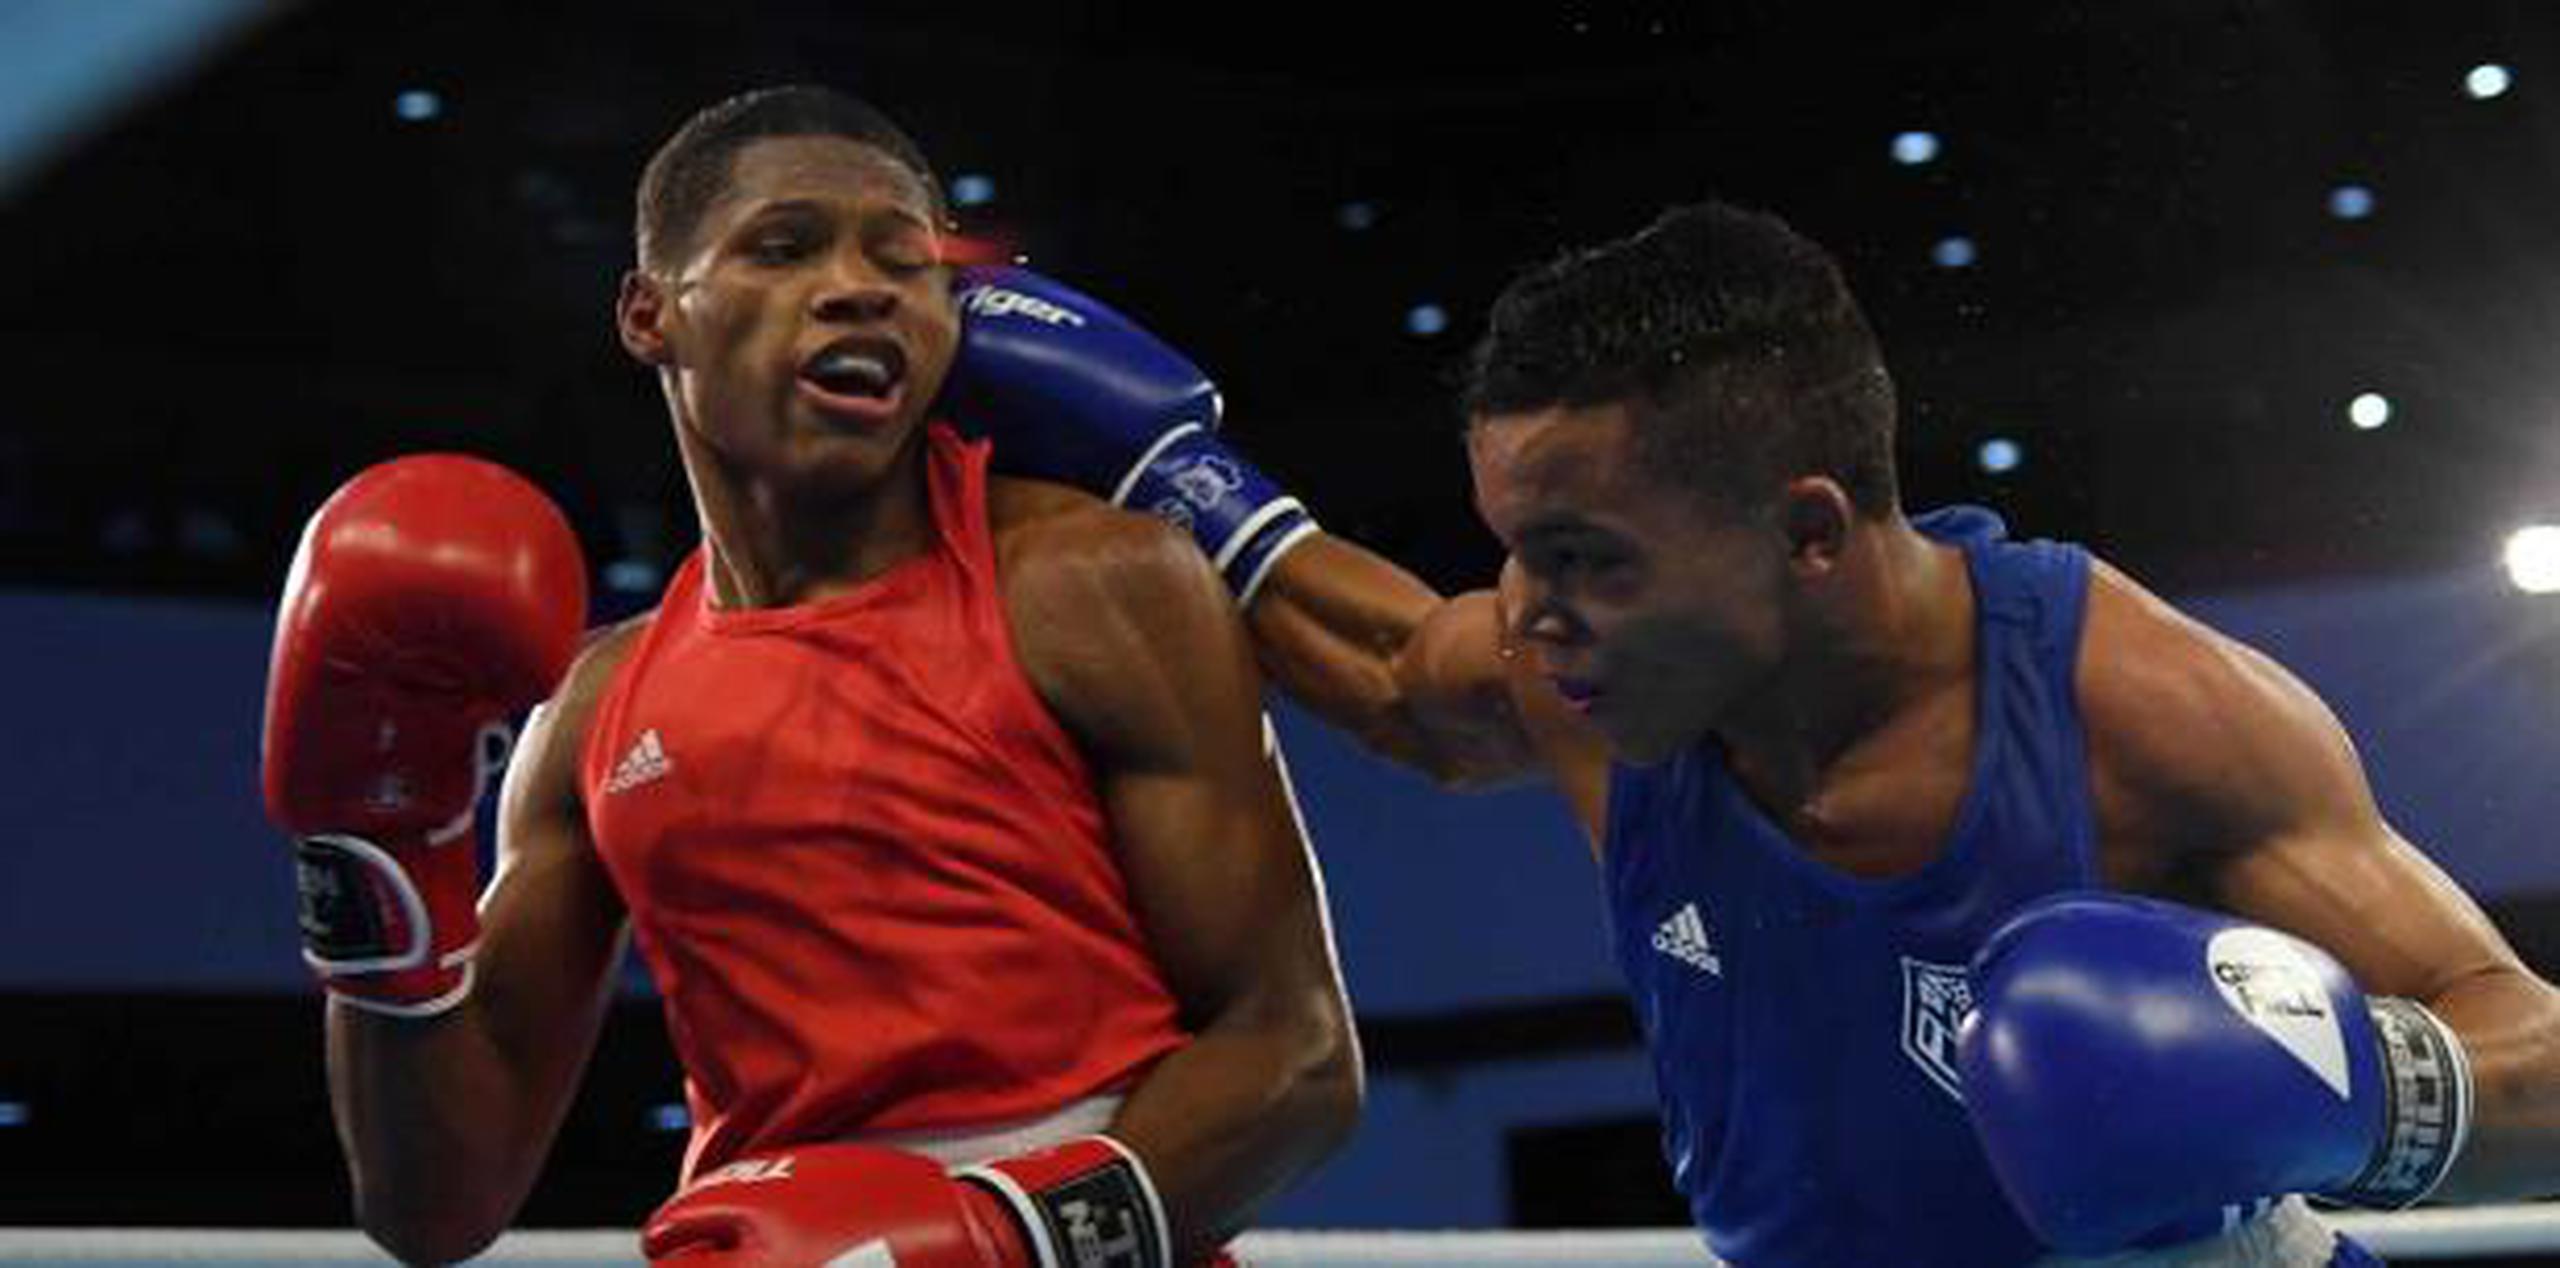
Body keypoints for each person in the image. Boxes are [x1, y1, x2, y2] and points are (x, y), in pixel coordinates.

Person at [934, 202, 2560, 1266]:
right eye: (1516, 545)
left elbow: (2532, 1036)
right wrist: (1161, 463)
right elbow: (1378, 670)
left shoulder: (2133, 710)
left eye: (1586, 557)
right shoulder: (1581, 673)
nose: (1531, 608)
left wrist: (2368, 1082)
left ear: (1808, 532)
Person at [257, 84, 1360, 1268]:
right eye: (783, 248)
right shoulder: (593, 708)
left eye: (906, 259)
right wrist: (376, 850)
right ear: (647, 314)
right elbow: (433, 1206)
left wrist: (992, 1238)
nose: (859, 285)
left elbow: (1293, 1056)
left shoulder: (1090, 582)